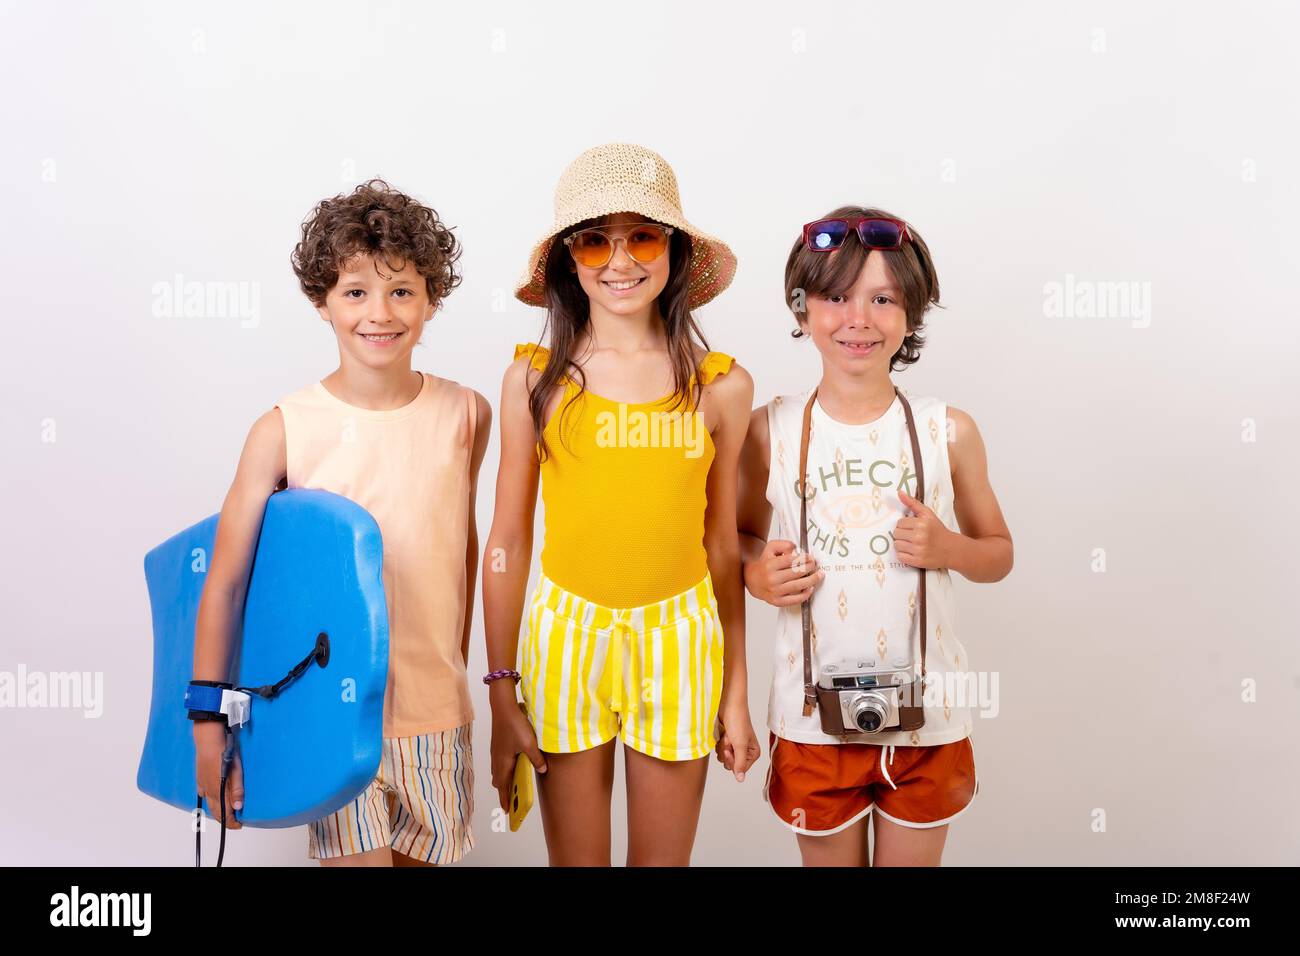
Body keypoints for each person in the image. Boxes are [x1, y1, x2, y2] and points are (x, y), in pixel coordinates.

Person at [191, 179, 490, 866]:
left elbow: (461, 552)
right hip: (329, 713)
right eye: (355, 292)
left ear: (432, 300)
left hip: (436, 720)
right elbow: (228, 583)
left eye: (401, 291)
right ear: (321, 302)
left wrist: (457, 675)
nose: (378, 313)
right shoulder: (283, 429)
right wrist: (208, 723)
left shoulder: (468, 414)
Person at [482, 143, 760, 866]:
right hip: (565, 635)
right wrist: (500, 691)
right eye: (594, 239)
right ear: (570, 260)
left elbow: (722, 547)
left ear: (671, 248)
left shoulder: (720, 387)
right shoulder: (534, 382)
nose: (620, 260)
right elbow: (506, 539)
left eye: (641, 235)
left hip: (681, 638)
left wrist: (735, 691)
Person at [726, 207, 1013, 866]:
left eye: (883, 298)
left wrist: (950, 549)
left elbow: (998, 553)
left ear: (911, 312)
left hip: (929, 719)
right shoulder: (769, 430)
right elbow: (736, 538)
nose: (859, 317)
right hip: (811, 722)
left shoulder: (950, 431)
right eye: (835, 297)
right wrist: (753, 570)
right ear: (802, 310)